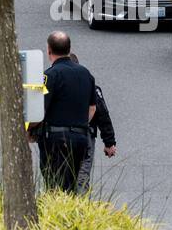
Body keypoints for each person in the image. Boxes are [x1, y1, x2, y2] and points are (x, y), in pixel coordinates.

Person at [29, 31, 96, 193]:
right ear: (69, 48)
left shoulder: (50, 75)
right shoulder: (85, 73)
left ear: (49, 50)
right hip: (81, 138)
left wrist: (29, 129)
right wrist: (77, 124)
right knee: (71, 186)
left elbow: (39, 111)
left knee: (54, 185)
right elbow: (92, 108)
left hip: (56, 139)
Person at [69, 53, 117, 194]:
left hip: (60, 137)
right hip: (85, 136)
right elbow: (102, 115)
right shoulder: (92, 88)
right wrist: (109, 143)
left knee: (62, 174)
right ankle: (79, 209)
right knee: (82, 175)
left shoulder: (55, 85)